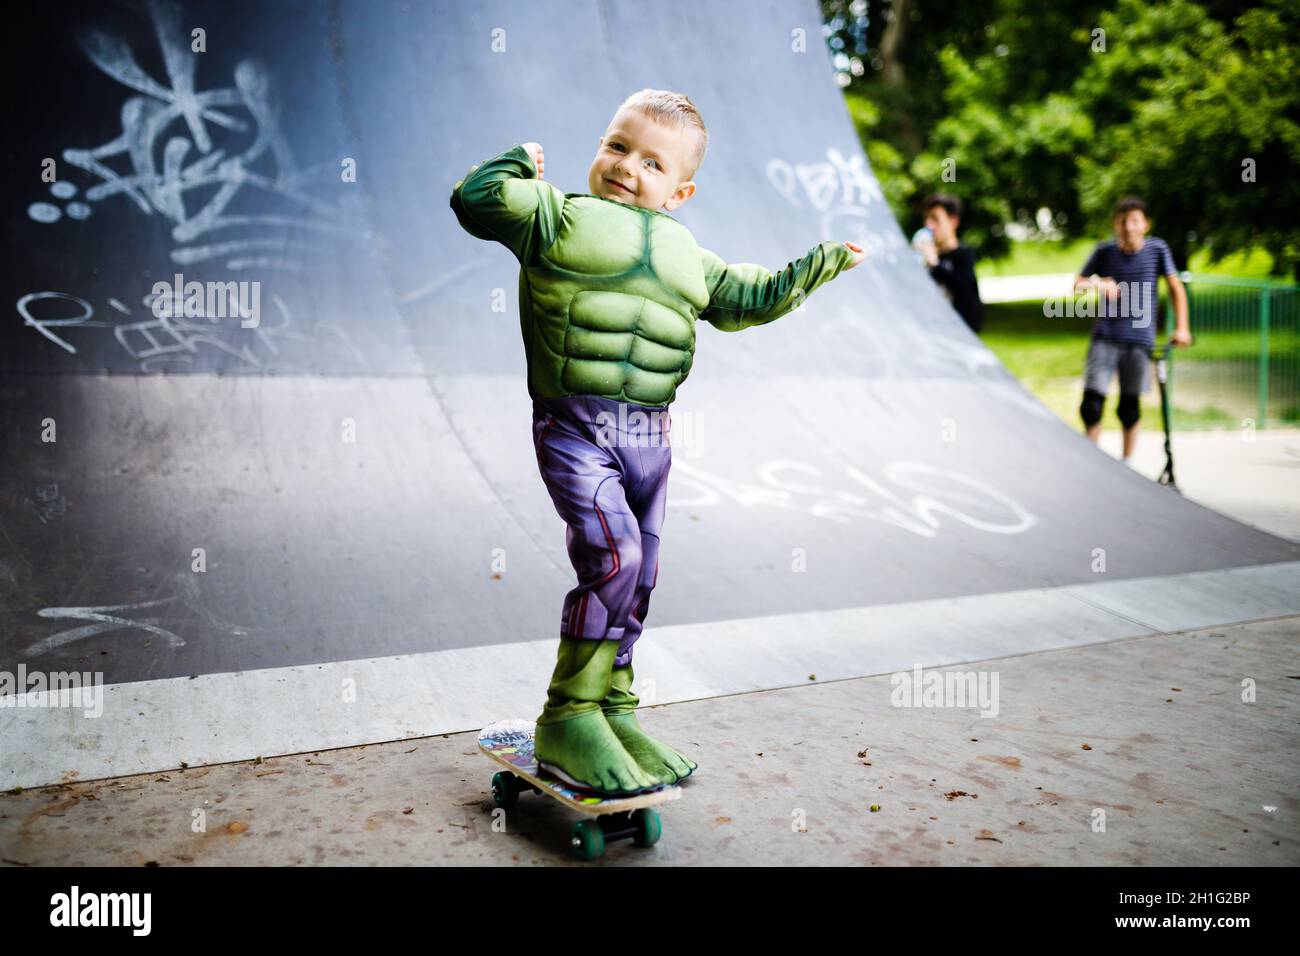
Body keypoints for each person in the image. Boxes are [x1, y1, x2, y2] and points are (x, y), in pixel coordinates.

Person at [449, 89, 866, 795]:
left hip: (651, 438)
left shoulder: (688, 256)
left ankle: (614, 706)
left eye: (651, 162)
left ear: (681, 191)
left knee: (639, 577)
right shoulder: (555, 216)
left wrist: (818, 265)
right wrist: (520, 160)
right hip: (575, 427)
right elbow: (475, 198)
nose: (626, 167)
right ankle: (567, 713)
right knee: (614, 558)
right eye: (616, 146)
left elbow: (750, 297)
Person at [1074, 197, 1192, 464]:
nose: (1129, 227)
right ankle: (1091, 460)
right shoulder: (1104, 251)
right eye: (1123, 221)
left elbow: (1176, 288)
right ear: (1116, 224)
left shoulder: (1157, 249)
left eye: (1135, 221)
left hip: (1139, 338)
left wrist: (1182, 327)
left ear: (1145, 224)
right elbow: (1077, 285)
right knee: (1091, 404)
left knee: (1129, 407)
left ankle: (1127, 463)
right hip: (1105, 336)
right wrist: (1097, 283)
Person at [914, 193, 984, 333]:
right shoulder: (926, 259)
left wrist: (935, 264)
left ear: (953, 221)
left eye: (935, 218)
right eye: (927, 219)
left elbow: (964, 290)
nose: (929, 225)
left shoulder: (963, 255)